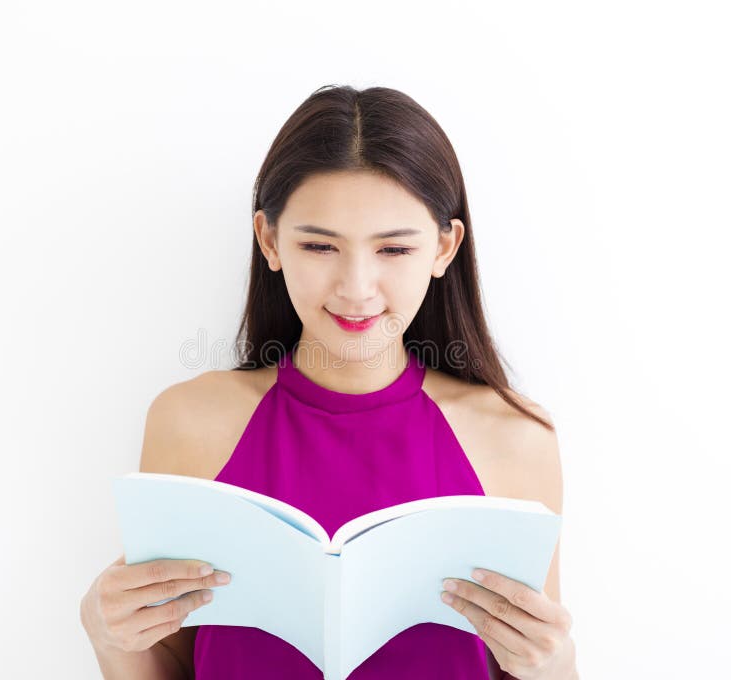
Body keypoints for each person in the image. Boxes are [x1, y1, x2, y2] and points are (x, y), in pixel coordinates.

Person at [80, 84, 579, 680]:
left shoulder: (516, 438)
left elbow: (533, 663)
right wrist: (109, 638)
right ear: (269, 240)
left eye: (393, 249)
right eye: (319, 246)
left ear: (445, 247)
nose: (356, 287)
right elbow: (170, 662)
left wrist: (556, 664)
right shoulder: (189, 423)